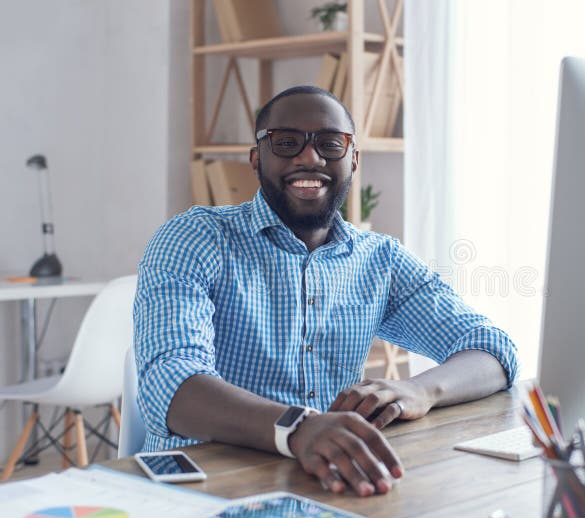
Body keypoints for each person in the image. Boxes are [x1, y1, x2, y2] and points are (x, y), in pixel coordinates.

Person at [133, 85, 518, 497]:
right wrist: (298, 428)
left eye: (330, 144)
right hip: (200, 488)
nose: (309, 157)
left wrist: (418, 389)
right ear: (256, 158)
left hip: (324, 482)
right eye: (286, 142)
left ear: (353, 160)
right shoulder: (195, 237)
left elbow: (492, 349)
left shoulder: (380, 259)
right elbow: (169, 383)